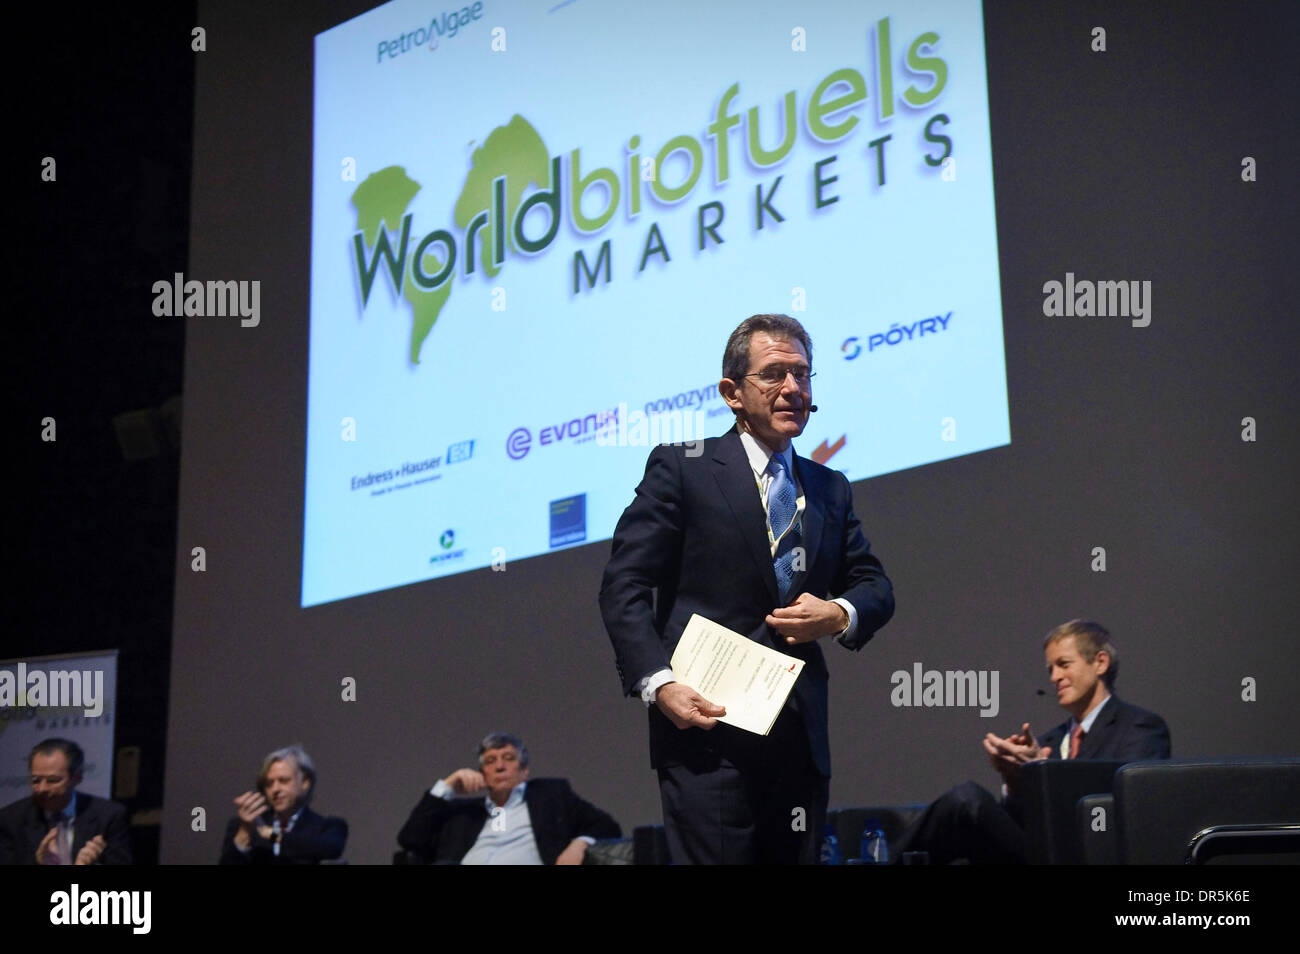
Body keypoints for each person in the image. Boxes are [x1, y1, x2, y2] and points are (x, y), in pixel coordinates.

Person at [599, 313, 895, 864]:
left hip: (799, 740)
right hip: (706, 732)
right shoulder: (683, 469)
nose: (793, 389)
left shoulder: (830, 488)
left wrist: (839, 613)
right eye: (775, 373)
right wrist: (659, 684)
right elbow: (624, 585)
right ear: (732, 393)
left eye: (803, 375)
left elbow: (874, 585)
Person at [894, 619, 1171, 864]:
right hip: (1039, 853)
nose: (1054, 677)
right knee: (964, 814)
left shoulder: (1139, 727)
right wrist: (1015, 784)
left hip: (1087, 854)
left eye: (1063, 665)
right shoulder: (1051, 739)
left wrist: (1047, 774)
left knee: (968, 800)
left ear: (1100, 662)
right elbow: (1023, 824)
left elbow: (1129, 808)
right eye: (1050, 669)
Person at [397, 732, 621, 864]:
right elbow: (410, 840)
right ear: (482, 773)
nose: (500, 766)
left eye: (508, 758)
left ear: (524, 771)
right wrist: (447, 785)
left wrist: (579, 845)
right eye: (490, 761)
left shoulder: (550, 796)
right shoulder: (463, 813)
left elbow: (607, 826)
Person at [0, 738, 132, 865]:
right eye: (36, 780)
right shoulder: (11, 820)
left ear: (77, 777)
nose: (42, 788)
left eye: (53, 780)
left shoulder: (109, 816)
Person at [219, 744, 347, 864]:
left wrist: (272, 835)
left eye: (283, 781)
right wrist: (245, 832)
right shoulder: (244, 826)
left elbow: (330, 848)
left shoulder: (327, 827)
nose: (275, 789)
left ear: (305, 782)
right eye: (269, 783)